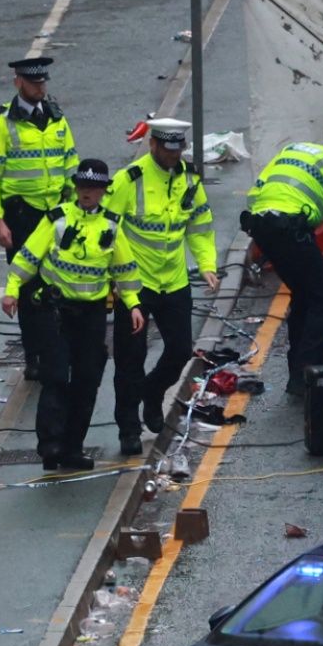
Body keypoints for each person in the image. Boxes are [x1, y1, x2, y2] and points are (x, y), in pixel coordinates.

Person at [2, 159, 142, 472]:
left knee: (87, 380)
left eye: (93, 187)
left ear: (104, 191)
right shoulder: (58, 219)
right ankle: (50, 445)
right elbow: (28, 257)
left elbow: (125, 271)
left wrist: (133, 304)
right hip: (56, 312)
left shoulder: (111, 226)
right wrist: (12, 289)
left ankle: (73, 448)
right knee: (54, 377)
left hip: (91, 316)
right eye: (81, 186)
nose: (86, 192)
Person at [108, 118, 217, 456]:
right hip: (135, 284)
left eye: (178, 151)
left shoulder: (188, 180)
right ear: (153, 145)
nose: (173, 157)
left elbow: (199, 226)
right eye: (168, 151)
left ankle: (152, 394)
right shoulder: (129, 180)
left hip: (174, 280)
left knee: (181, 350)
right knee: (130, 359)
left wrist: (208, 265)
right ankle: (128, 428)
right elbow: (106, 229)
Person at [241, 124, 323, 395]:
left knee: (304, 295)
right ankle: (309, 375)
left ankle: (298, 374)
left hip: (263, 224)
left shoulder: (292, 149)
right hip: (289, 228)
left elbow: (255, 193)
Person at [0, 57, 77, 261]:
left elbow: (70, 164)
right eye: (33, 83)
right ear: (18, 82)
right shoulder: (0, 123)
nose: (39, 88)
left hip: (56, 209)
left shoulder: (57, 118)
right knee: (25, 280)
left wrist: (77, 206)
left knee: (60, 277)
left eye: (42, 82)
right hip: (21, 213)